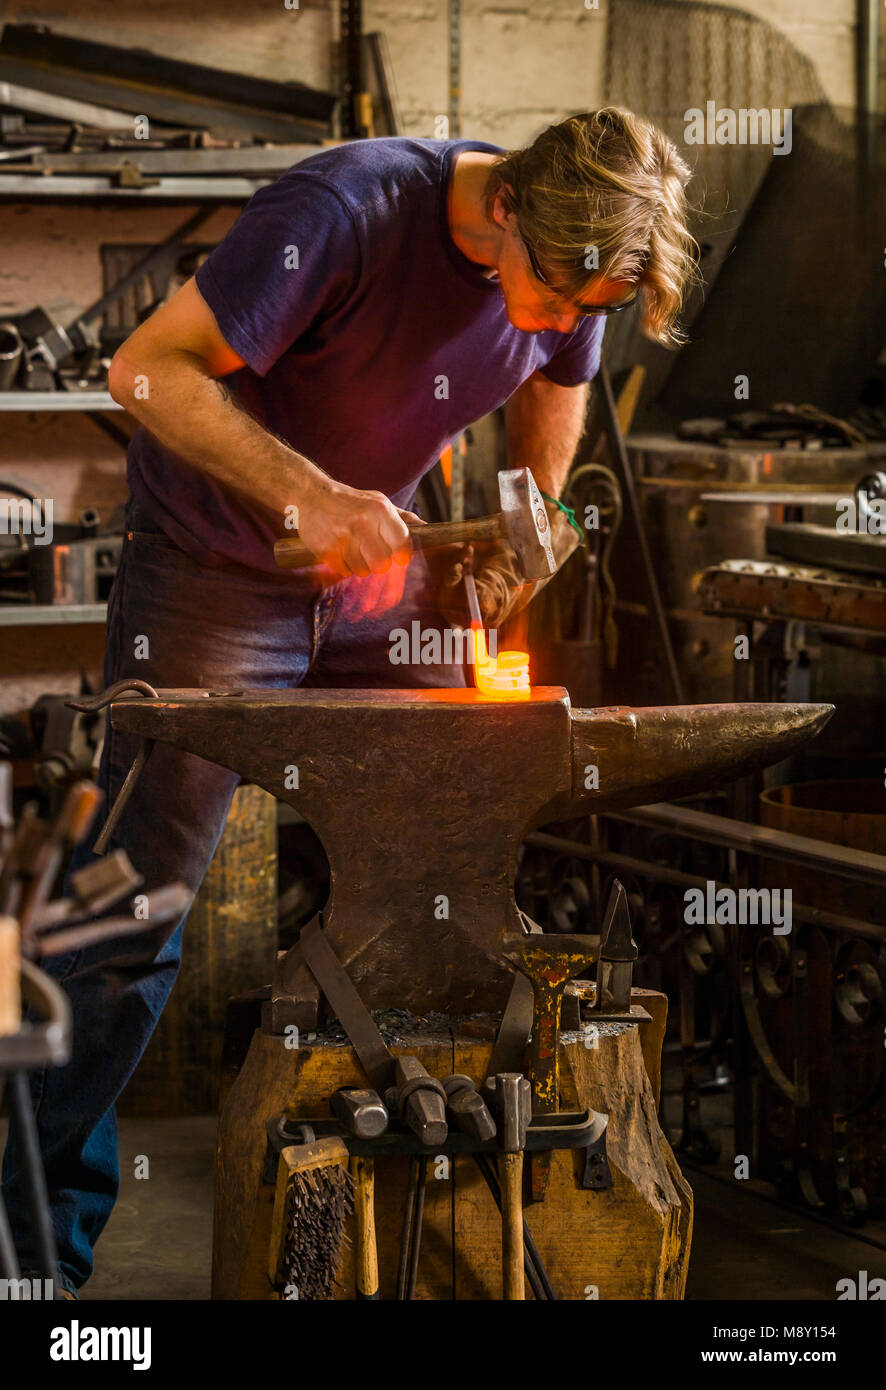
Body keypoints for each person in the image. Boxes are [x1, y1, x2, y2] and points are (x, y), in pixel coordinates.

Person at [1, 107, 696, 1296]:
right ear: (507, 207)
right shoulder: (341, 212)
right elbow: (142, 371)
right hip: (219, 572)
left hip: (391, 575)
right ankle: (29, 1248)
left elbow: (555, 383)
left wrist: (523, 525)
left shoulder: (569, 272)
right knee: (139, 903)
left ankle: (414, 1219)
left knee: (442, 861)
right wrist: (310, 496)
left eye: (594, 305)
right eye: (554, 291)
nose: (564, 320)